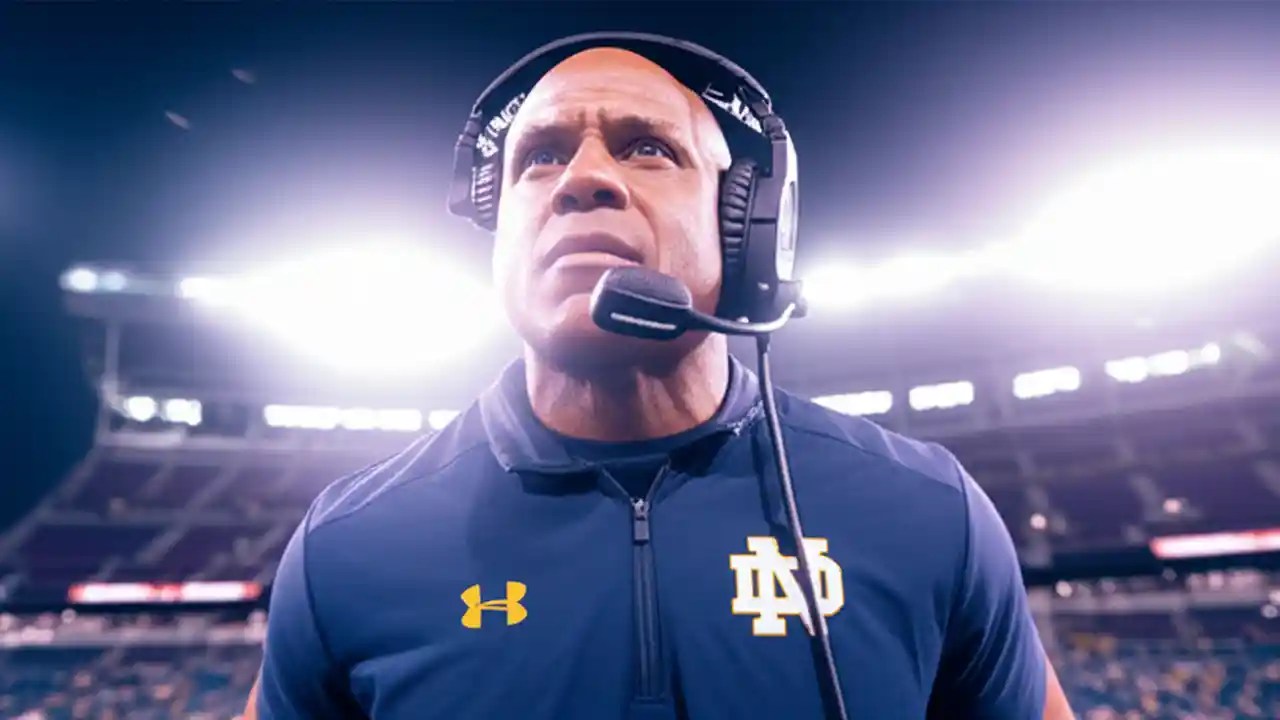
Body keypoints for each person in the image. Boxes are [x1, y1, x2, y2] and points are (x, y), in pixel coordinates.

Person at [247, 35, 1075, 720]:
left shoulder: (927, 510)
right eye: (540, 157)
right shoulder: (349, 545)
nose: (581, 179)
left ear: (747, 225)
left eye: (647, 147)